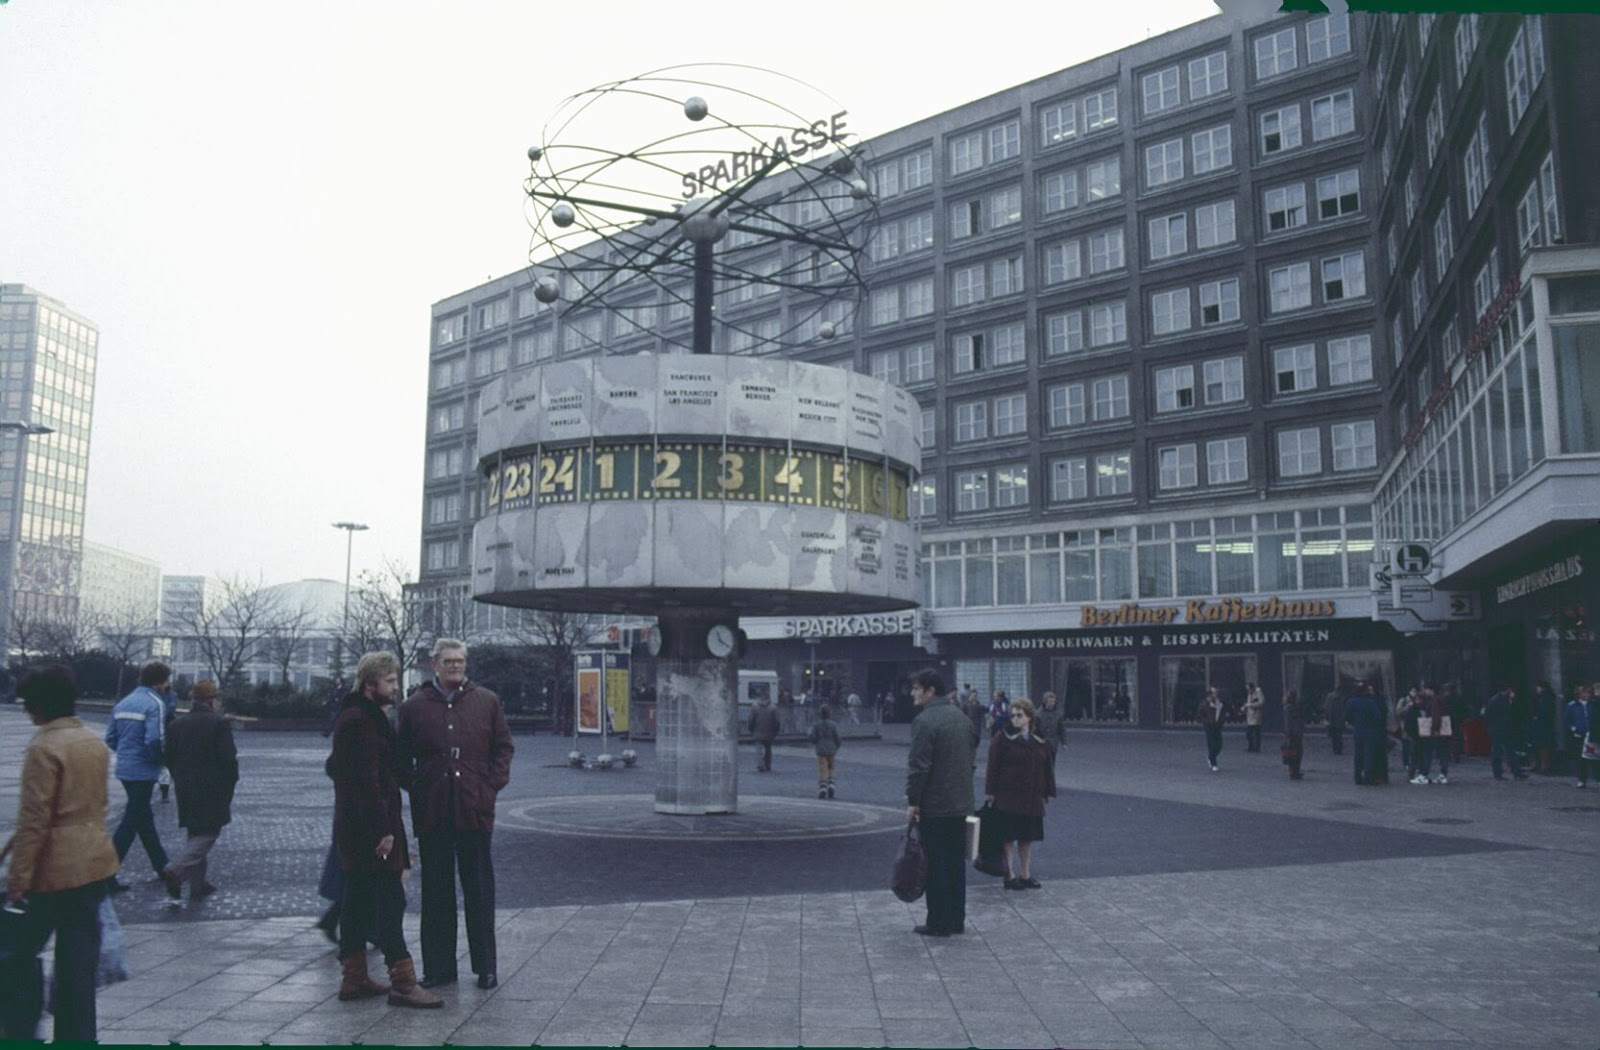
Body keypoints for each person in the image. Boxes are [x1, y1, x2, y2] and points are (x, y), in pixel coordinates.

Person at [3, 665, 120, 1042]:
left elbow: (35, 819)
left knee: (16, 954)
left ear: (39, 704)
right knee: (78, 965)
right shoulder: (91, 741)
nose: (25, 710)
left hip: (53, 869)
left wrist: (17, 878)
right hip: (94, 861)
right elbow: (98, 803)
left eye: (26, 703)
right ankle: (78, 1036)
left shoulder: (44, 747)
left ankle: (20, 1030)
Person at [397, 639, 514, 992]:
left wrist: (488, 787)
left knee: (479, 889)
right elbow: (399, 756)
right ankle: (439, 967)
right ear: (434, 664)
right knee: (436, 892)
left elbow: (503, 748)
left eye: (460, 661)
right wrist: (417, 786)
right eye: (448, 661)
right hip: (432, 812)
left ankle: (486, 968)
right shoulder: (414, 707)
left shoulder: (486, 701)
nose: (455, 667)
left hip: (474, 811)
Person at [329, 651, 441, 1009]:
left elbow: (367, 770)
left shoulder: (366, 717)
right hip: (371, 828)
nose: (396, 687)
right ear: (369, 684)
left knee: (358, 899)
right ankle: (404, 983)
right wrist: (385, 831)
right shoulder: (360, 721)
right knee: (390, 901)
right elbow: (365, 780)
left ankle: (354, 977)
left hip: (358, 826)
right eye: (390, 681)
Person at [904, 668, 976, 938]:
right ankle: (956, 918)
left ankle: (938, 921)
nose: (913, 693)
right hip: (961, 803)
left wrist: (913, 801)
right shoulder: (961, 717)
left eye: (916, 688)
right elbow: (970, 760)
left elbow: (918, 766)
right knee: (956, 862)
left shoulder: (925, 721)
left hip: (935, 804)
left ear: (930, 690)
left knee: (934, 863)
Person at [159, 679, 238, 901]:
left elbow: (168, 757)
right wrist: (230, 783)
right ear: (211, 701)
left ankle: (198, 884)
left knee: (195, 831)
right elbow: (228, 760)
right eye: (217, 699)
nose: (219, 703)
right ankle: (176, 869)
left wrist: (179, 777)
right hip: (212, 787)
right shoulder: (219, 724)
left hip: (185, 786)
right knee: (209, 833)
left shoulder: (176, 725)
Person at [104, 661, 173, 890]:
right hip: (144, 769)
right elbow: (155, 739)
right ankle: (106, 873)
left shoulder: (124, 702)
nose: (167, 686)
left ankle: (162, 865)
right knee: (132, 820)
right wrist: (160, 760)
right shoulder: (155, 703)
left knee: (142, 817)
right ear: (159, 682)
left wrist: (126, 754)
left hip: (125, 768)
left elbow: (111, 738)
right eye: (166, 681)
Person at [985, 698, 1054, 890]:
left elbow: (1047, 766)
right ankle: (1009, 875)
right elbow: (993, 766)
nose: (1015, 719)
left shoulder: (1039, 739)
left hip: (1032, 797)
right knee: (1008, 837)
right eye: (1013, 715)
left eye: (1019, 715)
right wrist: (990, 792)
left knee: (1027, 837)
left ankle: (1025, 874)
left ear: (1029, 717)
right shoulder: (1003, 737)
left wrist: (1049, 791)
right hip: (1008, 796)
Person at [1484, 684, 1528, 781]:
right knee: (1499, 752)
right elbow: (1489, 716)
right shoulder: (1497, 700)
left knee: (1509, 752)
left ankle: (1515, 772)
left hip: (1504, 730)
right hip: (1499, 730)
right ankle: (1501, 773)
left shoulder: (1498, 700)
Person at [1346, 683, 1386, 785]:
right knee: (1369, 754)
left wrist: (1354, 723)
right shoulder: (1370, 703)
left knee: (1358, 755)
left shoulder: (1351, 702)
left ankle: (1357, 776)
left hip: (1358, 731)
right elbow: (1378, 717)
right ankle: (1369, 777)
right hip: (1371, 731)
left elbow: (1347, 716)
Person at [1413, 688, 1452, 785]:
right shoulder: (1439, 700)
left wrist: (1435, 729)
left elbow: (1435, 715)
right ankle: (1442, 775)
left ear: (1431, 690)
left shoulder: (1434, 701)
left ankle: (1424, 775)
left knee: (1428, 753)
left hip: (1433, 731)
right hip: (1440, 731)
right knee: (1442, 752)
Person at [808, 704, 842, 799]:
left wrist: (812, 740)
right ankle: (831, 785)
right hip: (831, 750)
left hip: (821, 750)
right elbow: (838, 738)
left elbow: (813, 737)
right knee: (831, 767)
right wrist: (836, 746)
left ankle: (823, 788)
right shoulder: (834, 725)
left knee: (822, 769)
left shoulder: (817, 725)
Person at [1034, 692, 1066, 781]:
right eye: (1050, 702)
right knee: (1041, 763)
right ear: (1045, 702)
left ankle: (1050, 781)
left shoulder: (1058, 714)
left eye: (1053, 702)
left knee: (1051, 764)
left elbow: (1061, 729)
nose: (1052, 704)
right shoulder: (1038, 714)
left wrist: (1064, 743)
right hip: (1041, 743)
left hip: (1053, 744)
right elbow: (1034, 729)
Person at [1566, 685, 1592, 788]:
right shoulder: (1572, 705)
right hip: (1579, 735)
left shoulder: (1593, 704)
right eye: (1584, 693)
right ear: (1579, 694)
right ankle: (1582, 779)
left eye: (1587, 693)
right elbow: (1567, 720)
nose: (1586, 695)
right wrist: (1574, 729)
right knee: (1581, 758)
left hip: (1592, 734)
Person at [1530, 681, 1558, 774]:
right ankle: (1542, 765)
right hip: (1543, 725)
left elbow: (1544, 712)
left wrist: (1536, 718)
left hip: (1543, 725)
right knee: (1541, 746)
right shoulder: (1545, 698)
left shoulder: (1545, 698)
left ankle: (1544, 766)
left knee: (1543, 746)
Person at [749, 695, 779, 772]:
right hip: (770, 731)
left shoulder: (754, 707)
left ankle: (760, 765)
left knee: (758, 749)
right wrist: (776, 730)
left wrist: (751, 729)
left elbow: (751, 720)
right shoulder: (773, 707)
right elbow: (777, 721)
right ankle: (767, 765)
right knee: (768, 749)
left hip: (757, 730)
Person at [1199, 687, 1225, 772]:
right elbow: (1200, 716)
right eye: (1214, 693)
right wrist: (1207, 722)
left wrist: (1221, 721)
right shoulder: (1204, 704)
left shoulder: (1218, 703)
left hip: (1217, 726)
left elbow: (1222, 712)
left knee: (1219, 745)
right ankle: (1213, 763)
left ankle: (1211, 757)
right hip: (1209, 727)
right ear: (1210, 694)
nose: (1216, 694)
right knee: (1212, 744)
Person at [1281, 690, 1305, 780]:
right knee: (1294, 752)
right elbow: (1288, 722)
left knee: (1296, 752)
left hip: (1295, 733)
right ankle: (1293, 771)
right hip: (1294, 733)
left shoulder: (1292, 707)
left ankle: (1295, 771)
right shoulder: (1289, 708)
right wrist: (1288, 733)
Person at [1243, 682, 1265, 753]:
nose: (1248, 691)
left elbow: (1261, 702)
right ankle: (1251, 746)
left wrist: (1251, 705)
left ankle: (1256, 747)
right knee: (1249, 733)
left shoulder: (1258, 693)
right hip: (1250, 716)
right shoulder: (1249, 694)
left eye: (1249, 689)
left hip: (1256, 715)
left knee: (1256, 733)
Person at [1324, 686, 1346, 756]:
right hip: (1338, 719)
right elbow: (1343, 709)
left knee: (1333, 736)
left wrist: (1327, 717)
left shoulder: (1329, 696)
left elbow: (1326, 707)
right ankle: (1338, 749)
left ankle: (1335, 749)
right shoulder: (1341, 698)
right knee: (1339, 735)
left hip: (1331, 718)